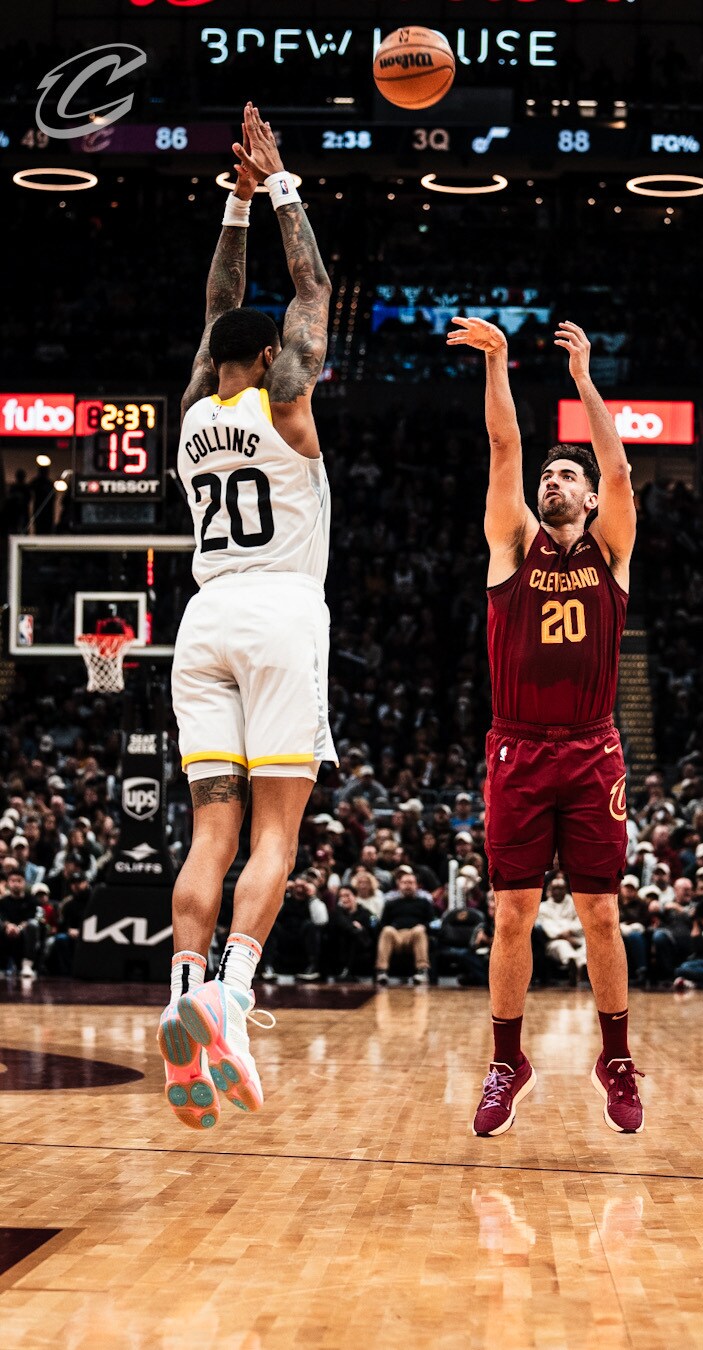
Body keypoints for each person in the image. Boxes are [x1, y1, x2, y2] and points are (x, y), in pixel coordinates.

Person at [157, 103, 335, 1131]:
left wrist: (228, 214)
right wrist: (278, 184)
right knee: (277, 831)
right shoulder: (286, 397)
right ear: (270, 359)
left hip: (204, 619)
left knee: (207, 832)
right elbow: (310, 285)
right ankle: (232, 992)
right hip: (277, 617)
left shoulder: (192, 413)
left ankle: (182, 991)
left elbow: (216, 310)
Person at [447, 315, 643, 1138]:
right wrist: (498, 367)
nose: (555, 481)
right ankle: (506, 1060)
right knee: (512, 912)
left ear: (591, 498)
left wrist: (586, 384)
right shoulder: (511, 546)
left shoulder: (613, 548)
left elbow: (621, 466)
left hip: (594, 749)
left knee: (601, 914)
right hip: (518, 748)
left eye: (569, 475)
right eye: (551, 475)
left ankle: (617, 1057)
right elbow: (502, 453)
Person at [375, 869, 436, 986]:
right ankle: (382, 971)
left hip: (415, 936)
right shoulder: (391, 903)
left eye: (411, 883)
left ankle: (422, 971)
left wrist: (424, 927)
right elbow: (383, 923)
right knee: (387, 930)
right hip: (395, 936)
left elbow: (433, 922)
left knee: (419, 930)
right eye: (405, 883)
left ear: (416, 885)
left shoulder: (424, 902)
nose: (408, 886)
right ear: (399, 885)